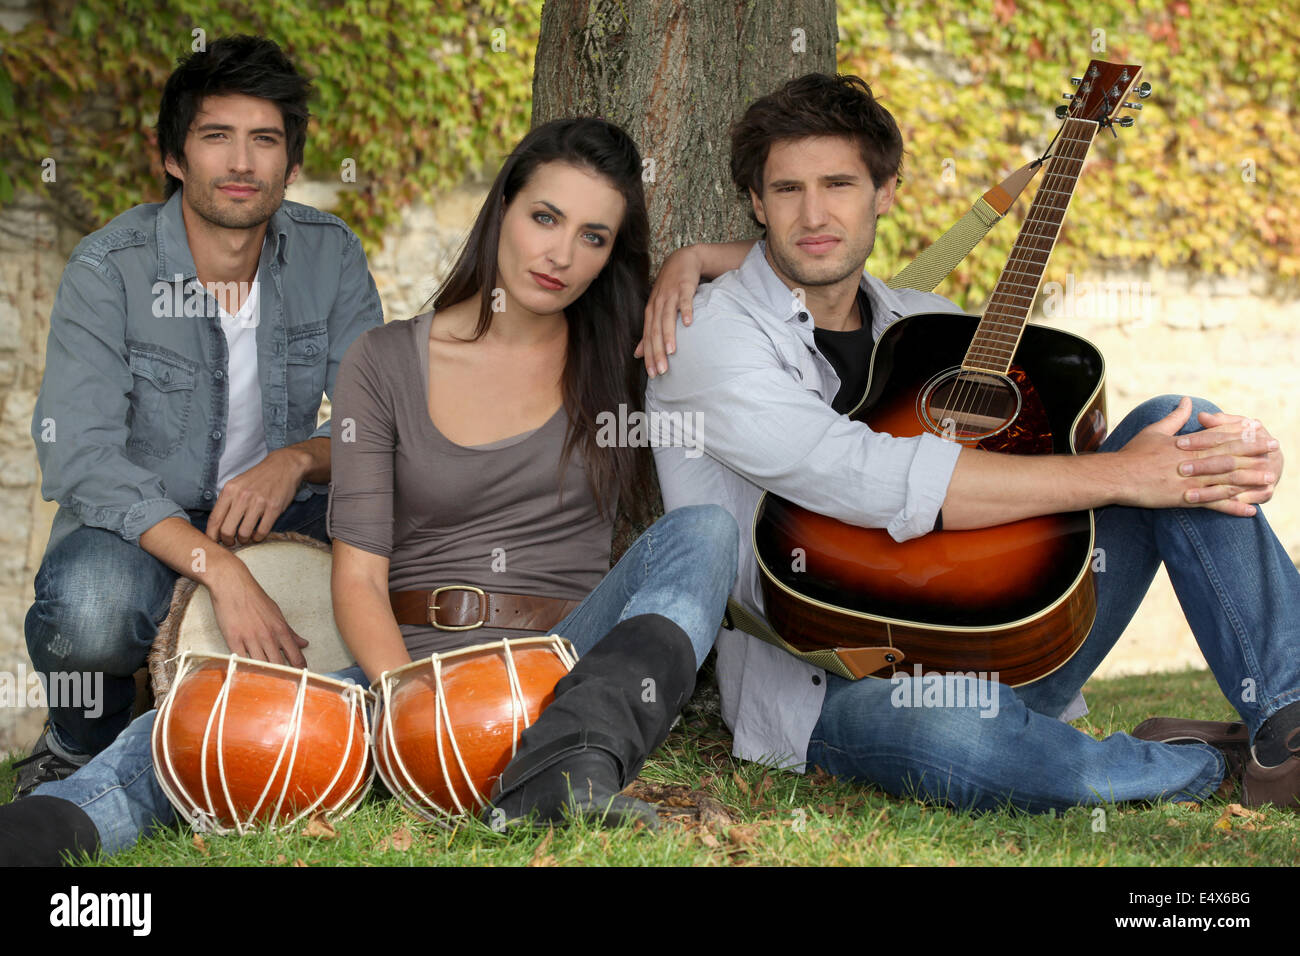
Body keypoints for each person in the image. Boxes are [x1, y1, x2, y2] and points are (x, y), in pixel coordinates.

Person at [0, 117, 735, 865]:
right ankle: (44, 830)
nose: (560, 254)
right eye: (545, 217)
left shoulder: (627, 353)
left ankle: (567, 768)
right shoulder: (384, 362)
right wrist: (412, 703)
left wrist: (696, 257)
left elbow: (811, 264)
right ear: (503, 209)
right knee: (209, 725)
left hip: (561, 666)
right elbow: (357, 574)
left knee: (705, 532)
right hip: (405, 670)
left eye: (593, 236)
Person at [644, 72, 1300, 813]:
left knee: (1186, 424)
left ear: (884, 192)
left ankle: (1292, 724)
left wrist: (1230, 454)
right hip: (835, 678)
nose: (815, 213)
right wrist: (1123, 476)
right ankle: (1203, 768)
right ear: (757, 205)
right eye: (788, 190)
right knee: (962, 736)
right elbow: (854, 473)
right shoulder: (706, 334)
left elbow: (1023, 475)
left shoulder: (929, 323)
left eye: (839, 184)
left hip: (1012, 633)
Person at [13, 34, 385, 798]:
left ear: (290, 159)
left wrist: (295, 461)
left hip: (289, 507)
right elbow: (81, 456)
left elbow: (368, 425)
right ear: (175, 158)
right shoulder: (107, 270)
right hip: (142, 519)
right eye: (217, 137)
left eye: (264, 140)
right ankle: (77, 745)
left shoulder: (331, 254)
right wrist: (221, 570)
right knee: (89, 612)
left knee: (411, 550)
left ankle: (355, 732)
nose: (242, 163)